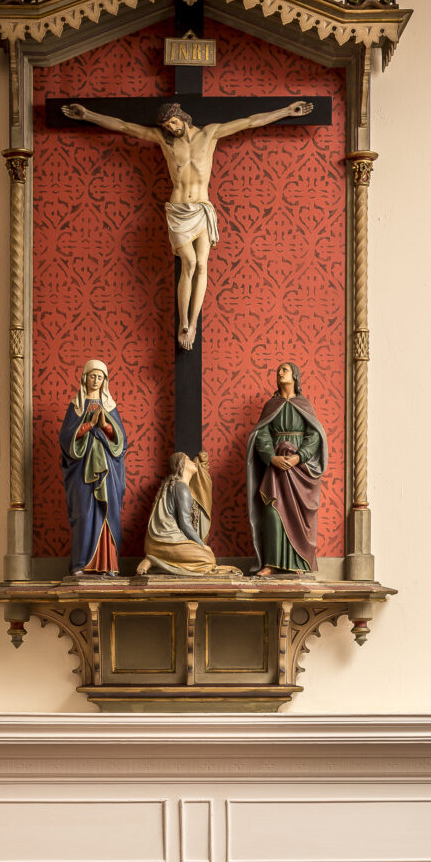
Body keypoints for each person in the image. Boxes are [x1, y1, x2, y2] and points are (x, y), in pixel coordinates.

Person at [62, 97, 313, 349]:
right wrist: (88, 115)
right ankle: (182, 320)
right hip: (179, 210)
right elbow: (124, 126)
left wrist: (286, 111)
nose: (170, 128)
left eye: (172, 122)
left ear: (182, 117)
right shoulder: (165, 141)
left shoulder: (210, 133)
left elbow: (249, 122)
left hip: (202, 208)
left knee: (202, 265)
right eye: (166, 126)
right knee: (189, 263)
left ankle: (192, 324)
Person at [246, 361, 328, 575]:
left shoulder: (305, 405)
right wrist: (271, 458)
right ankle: (271, 564)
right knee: (272, 510)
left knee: (297, 515)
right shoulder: (270, 406)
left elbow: (313, 436)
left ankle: (298, 563)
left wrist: (298, 457)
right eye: (278, 369)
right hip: (275, 466)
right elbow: (262, 434)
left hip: (298, 468)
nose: (279, 372)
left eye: (284, 369)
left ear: (295, 376)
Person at [58, 360, 126, 575]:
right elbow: (66, 439)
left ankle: (109, 566)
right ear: (84, 377)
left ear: (105, 380)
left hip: (107, 472)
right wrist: (89, 425)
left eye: (100, 377)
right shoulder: (76, 406)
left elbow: (121, 441)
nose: (95, 380)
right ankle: (82, 564)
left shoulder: (109, 405)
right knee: (85, 514)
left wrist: (104, 425)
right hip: (82, 472)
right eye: (92, 376)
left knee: (106, 513)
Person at [136, 451, 238, 576]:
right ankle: (154, 560)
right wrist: (202, 546)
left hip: (156, 542)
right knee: (208, 559)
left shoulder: (170, 485)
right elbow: (184, 524)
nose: (192, 462)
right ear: (182, 465)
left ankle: (157, 562)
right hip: (167, 542)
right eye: (189, 459)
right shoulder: (182, 487)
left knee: (205, 558)